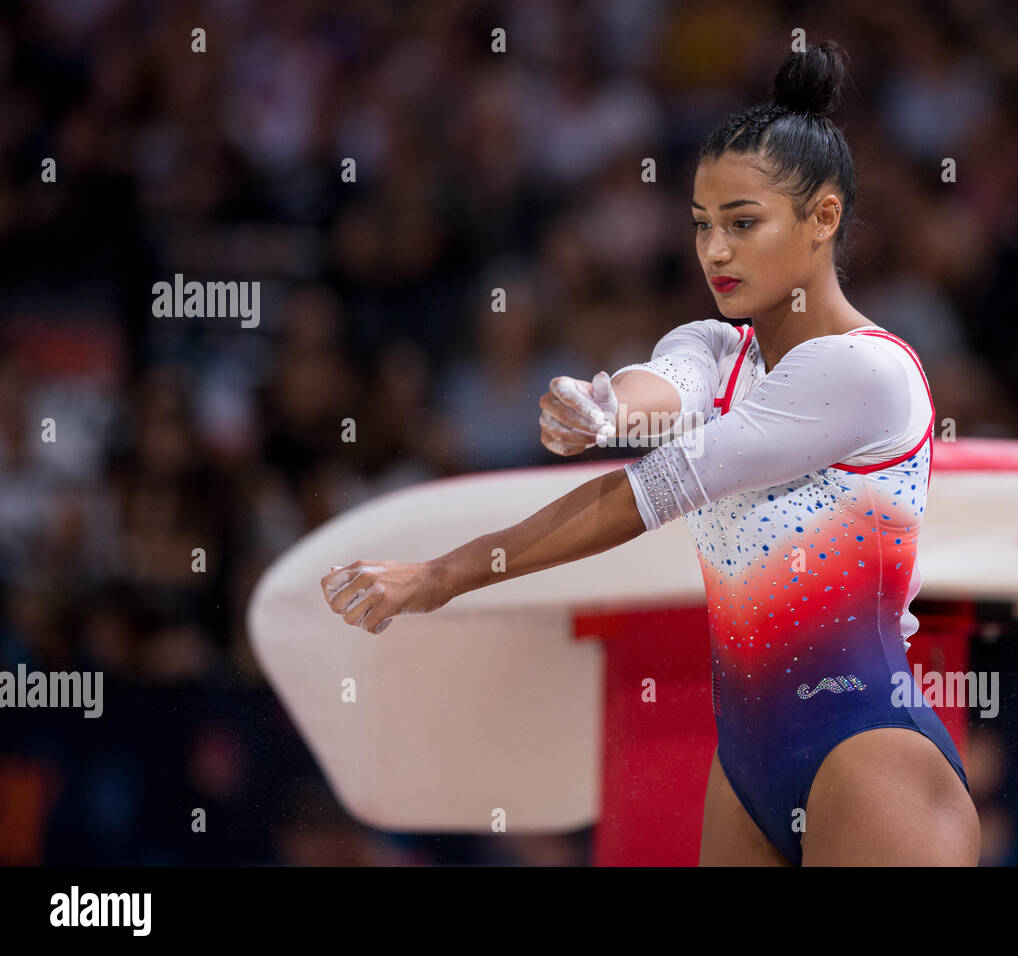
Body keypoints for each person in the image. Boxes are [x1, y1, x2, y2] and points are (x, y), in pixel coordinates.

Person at [321, 41, 979, 866]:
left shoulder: (864, 372)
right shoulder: (714, 345)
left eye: (744, 224)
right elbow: (660, 386)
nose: (715, 252)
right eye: (702, 226)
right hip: (747, 763)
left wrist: (440, 576)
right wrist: (603, 410)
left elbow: (654, 488)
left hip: (868, 753)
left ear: (824, 217)